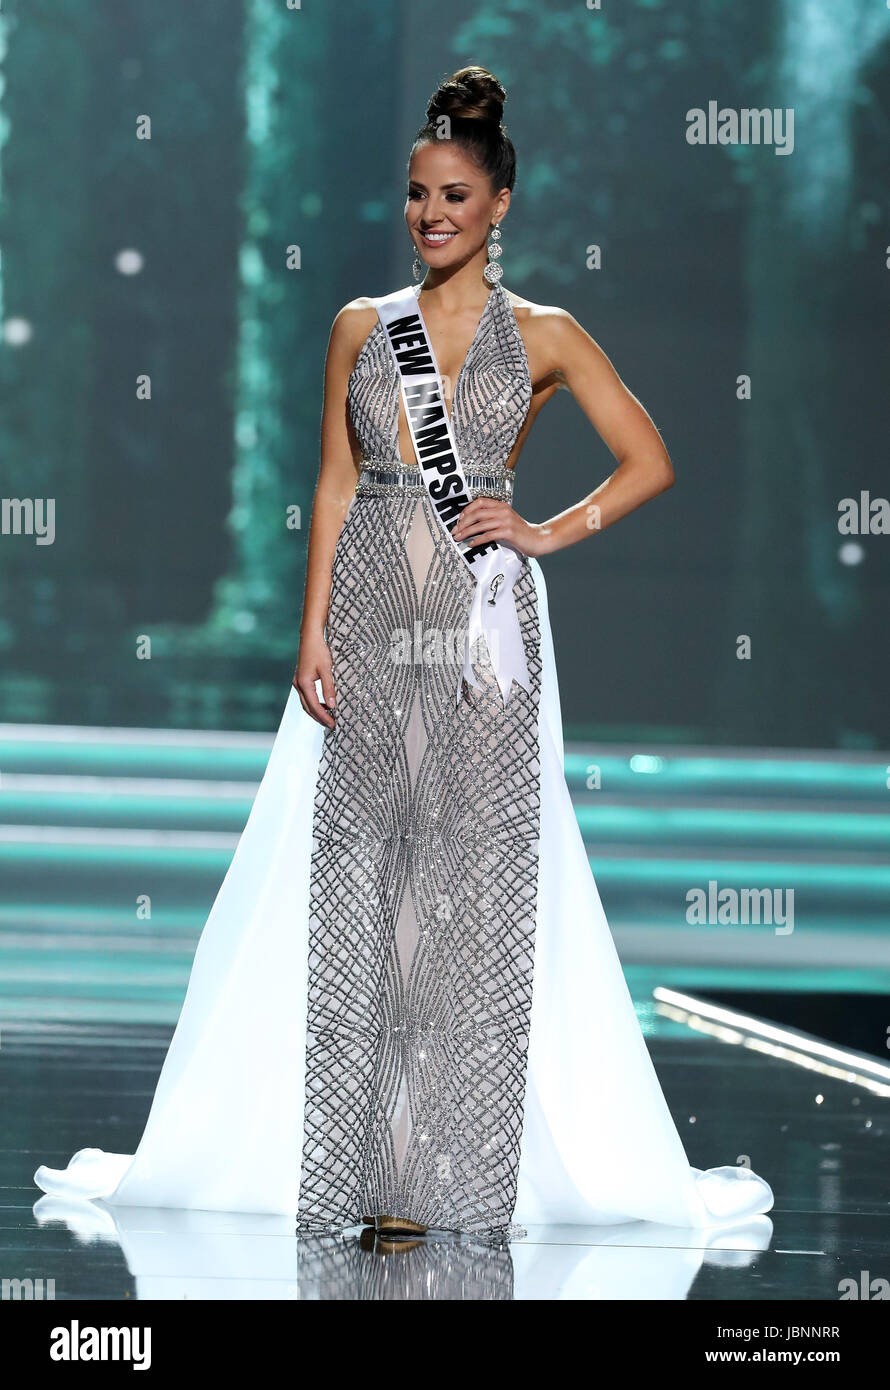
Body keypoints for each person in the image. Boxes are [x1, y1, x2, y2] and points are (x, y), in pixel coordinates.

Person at [35, 65, 773, 1242]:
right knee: (358, 892)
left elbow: (650, 461)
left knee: (469, 894)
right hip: (372, 620)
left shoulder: (546, 334)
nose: (431, 214)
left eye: (454, 196)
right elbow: (332, 484)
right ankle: (358, 1163)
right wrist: (310, 626)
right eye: (417, 195)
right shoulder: (357, 328)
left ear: (498, 207)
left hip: (482, 628)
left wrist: (542, 530)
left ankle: (445, 1176)